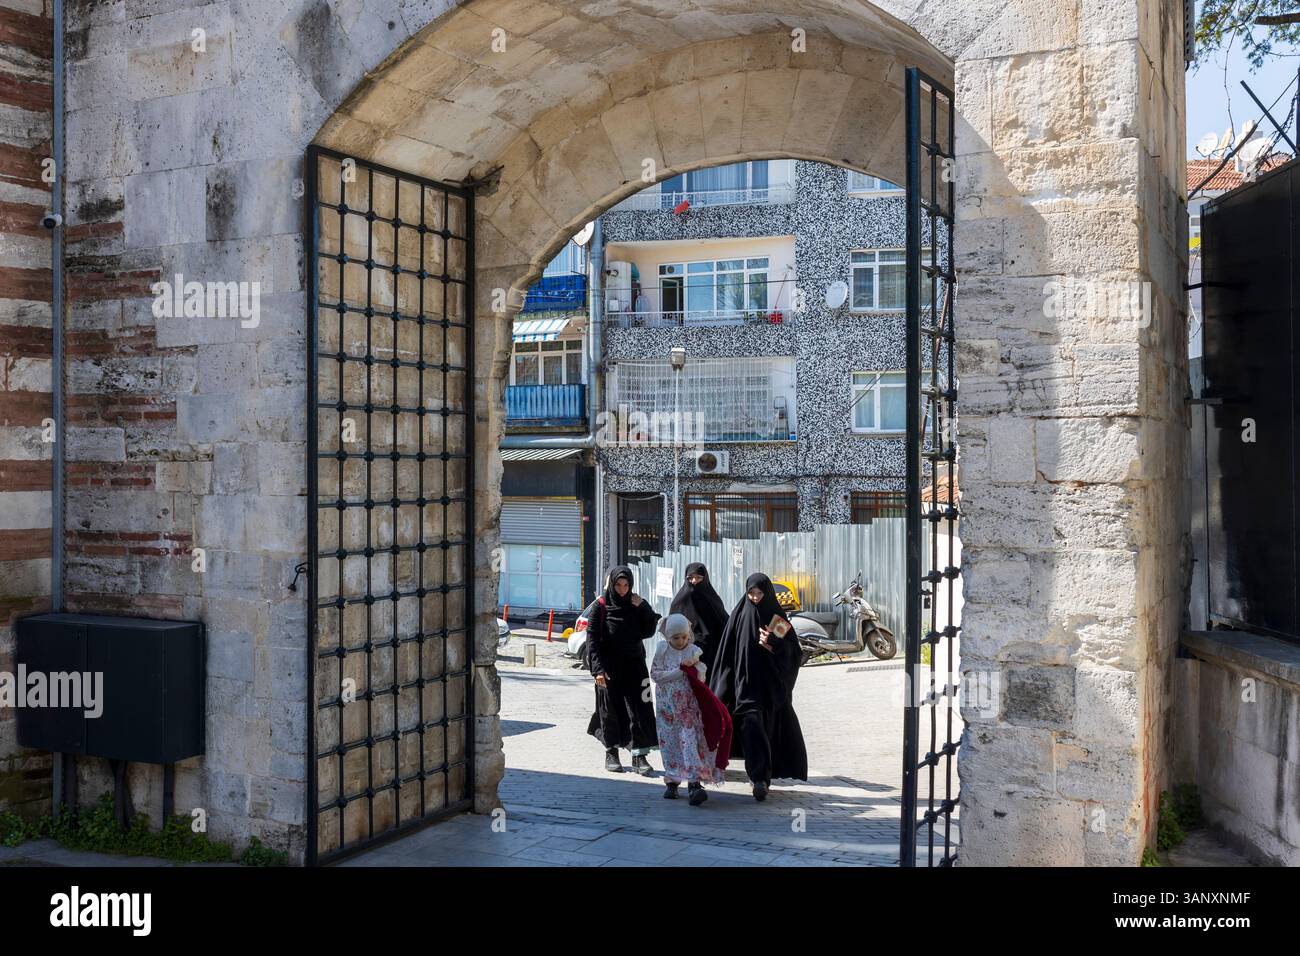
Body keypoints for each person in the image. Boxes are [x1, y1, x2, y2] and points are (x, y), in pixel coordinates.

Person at [708, 572, 808, 800]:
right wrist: (723, 688)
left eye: (759, 593)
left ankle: (763, 776)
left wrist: (773, 644)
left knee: (764, 729)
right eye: (751, 593)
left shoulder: (776, 619)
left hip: (769, 689)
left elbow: (793, 654)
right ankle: (759, 778)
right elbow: (726, 653)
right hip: (743, 689)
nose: (754, 598)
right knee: (751, 726)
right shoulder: (740, 615)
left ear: (768, 593)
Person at [585, 566, 661, 775]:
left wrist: (644, 606)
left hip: (635, 666)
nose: (622, 590)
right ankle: (611, 752)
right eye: (618, 585)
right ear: (611, 584)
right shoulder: (600, 606)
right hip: (608, 669)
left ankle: (639, 755)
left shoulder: (636, 604)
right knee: (610, 710)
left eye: (626, 585)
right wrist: (598, 670)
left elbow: (649, 630)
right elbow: (592, 641)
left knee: (639, 710)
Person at [650, 613, 727, 806]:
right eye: (676, 638)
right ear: (668, 637)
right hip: (667, 710)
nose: (680, 641)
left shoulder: (693, 651)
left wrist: (697, 669)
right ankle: (672, 782)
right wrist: (678, 672)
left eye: (684, 637)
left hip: (688, 709)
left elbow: (701, 678)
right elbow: (655, 675)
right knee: (670, 744)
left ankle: (694, 783)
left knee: (691, 741)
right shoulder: (662, 650)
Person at [668, 562, 729, 673]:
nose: (694, 581)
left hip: (711, 653)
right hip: (685, 654)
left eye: (699, 578)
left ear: (705, 579)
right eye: (690, 578)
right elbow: (671, 630)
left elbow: (725, 624)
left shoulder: (713, 600)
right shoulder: (679, 602)